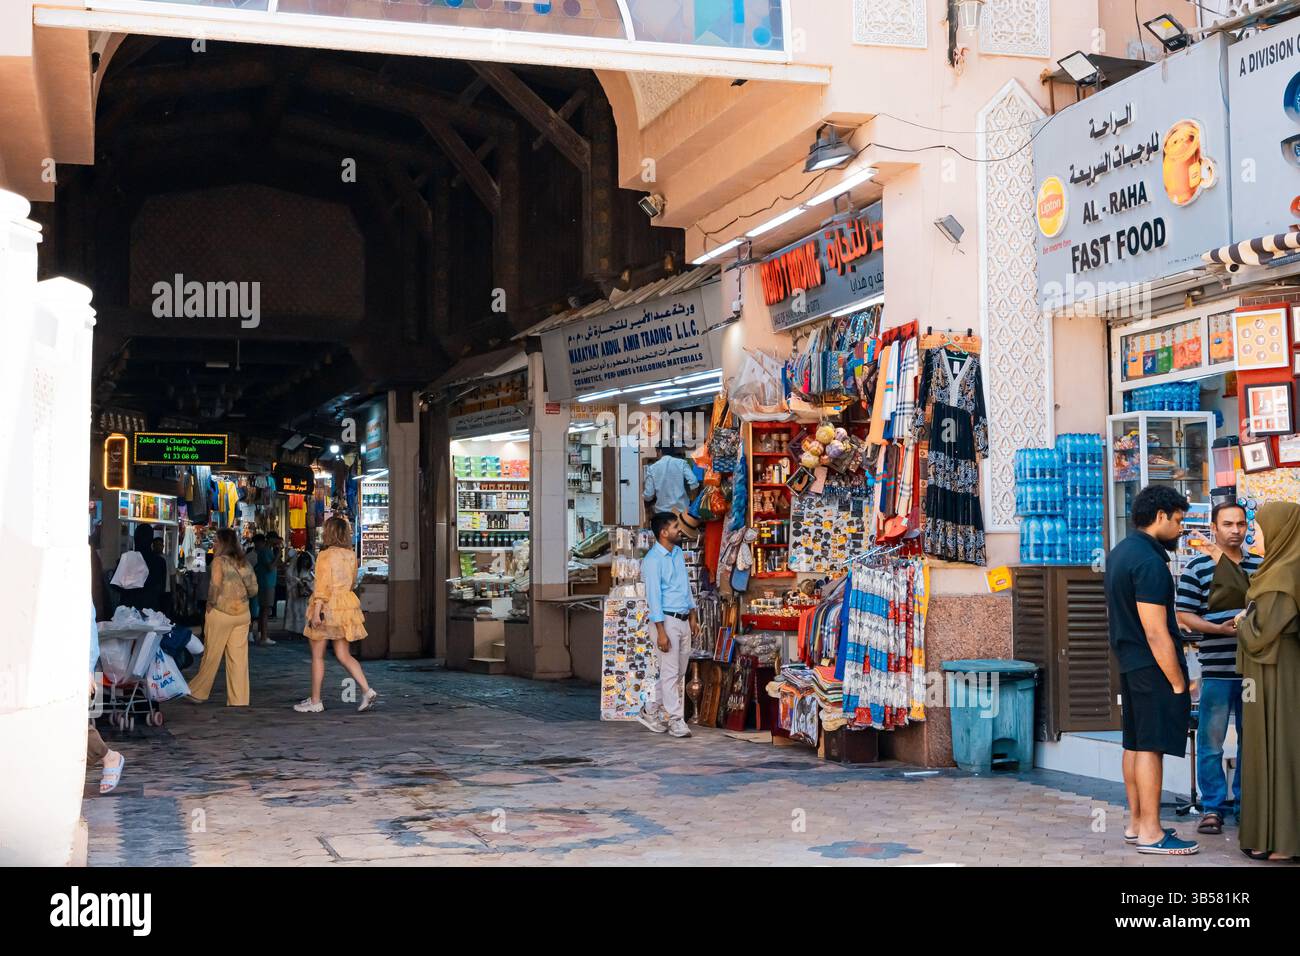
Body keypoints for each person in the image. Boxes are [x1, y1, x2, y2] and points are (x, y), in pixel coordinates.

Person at [1104, 485, 1198, 855]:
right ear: (1160, 516)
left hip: (1130, 663)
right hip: (1150, 665)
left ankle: (1136, 823)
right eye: (1177, 521)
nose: (1181, 529)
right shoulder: (1150, 561)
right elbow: (1156, 631)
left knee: (1134, 742)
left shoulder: (1121, 552)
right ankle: (1152, 832)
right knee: (1151, 747)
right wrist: (1178, 681)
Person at [1175, 503, 1260, 836]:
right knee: (1211, 742)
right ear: (1214, 527)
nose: (1235, 530)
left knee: (1251, 741)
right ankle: (1212, 807)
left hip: (1254, 672)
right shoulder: (1197, 568)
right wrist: (1219, 630)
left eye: (1240, 523)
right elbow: (1184, 615)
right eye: (1228, 524)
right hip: (1216, 669)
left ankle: (1245, 804)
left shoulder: (1259, 566)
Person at [1231, 501, 1300, 862]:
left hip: (1276, 673)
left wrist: (1243, 621)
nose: (1253, 533)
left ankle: (1282, 840)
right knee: (1266, 748)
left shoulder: (1283, 575)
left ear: (1281, 529)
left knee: (1277, 747)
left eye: (1259, 526)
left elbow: (1260, 634)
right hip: (1267, 673)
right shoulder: (1278, 569)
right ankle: (1270, 836)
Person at [295, 516, 377, 713]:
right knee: (344, 654)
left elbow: (322, 587)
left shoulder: (325, 556)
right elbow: (352, 583)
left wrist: (316, 612)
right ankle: (367, 689)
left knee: (317, 656)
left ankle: (315, 701)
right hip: (346, 607)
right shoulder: (350, 555)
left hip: (326, 608)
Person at [636, 511, 699, 739]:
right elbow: (653, 598)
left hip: (682, 618)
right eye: (675, 527)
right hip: (667, 622)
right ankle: (675, 720)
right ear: (663, 533)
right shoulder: (652, 561)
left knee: (678, 673)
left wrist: (693, 614)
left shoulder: (678, 553)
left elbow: (685, 586)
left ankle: (649, 709)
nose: (679, 530)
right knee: (671, 673)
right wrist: (661, 631)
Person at [187, 529, 257, 706]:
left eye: (216, 541)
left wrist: (210, 604)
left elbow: (215, 585)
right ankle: (239, 699)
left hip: (221, 613)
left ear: (223, 543)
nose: (214, 544)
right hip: (242, 614)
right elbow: (254, 589)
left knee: (211, 655)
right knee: (239, 659)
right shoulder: (243, 562)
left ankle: (198, 692)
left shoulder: (219, 561)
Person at [88, 598, 124, 794]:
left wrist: (87, 670)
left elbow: (88, 630)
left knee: (69, 724)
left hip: (67, 667)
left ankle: (108, 756)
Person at [116, 523, 167, 612]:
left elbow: (116, 586)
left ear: (136, 539)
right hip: (151, 610)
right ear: (151, 541)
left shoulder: (127, 559)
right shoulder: (159, 562)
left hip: (129, 610)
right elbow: (162, 589)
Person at [642, 446, 700, 521]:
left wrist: (643, 497)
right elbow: (694, 482)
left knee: (664, 532)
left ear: (659, 451)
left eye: (656, 452)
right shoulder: (681, 463)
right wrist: (692, 500)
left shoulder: (652, 468)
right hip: (681, 513)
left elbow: (648, 495)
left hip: (662, 514)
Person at [252, 532, 278, 647]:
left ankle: (262, 635)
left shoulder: (267, 551)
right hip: (266, 583)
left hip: (267, 582)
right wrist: (278, 555)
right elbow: (270, 567)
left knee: (264, 610)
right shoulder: (265, 551)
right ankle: (264, 636)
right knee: (265, 610)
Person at [284, 548, 314, 634]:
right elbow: (289, 575)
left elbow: (314, 580)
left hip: (306, 595)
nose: (305, 562)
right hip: (296, 593)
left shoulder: (311, 569)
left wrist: (307, 583)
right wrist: (298, 581)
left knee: (305, 613)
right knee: (296, 612)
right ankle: (295, 630)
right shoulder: (295, 567)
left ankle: (304, 630)